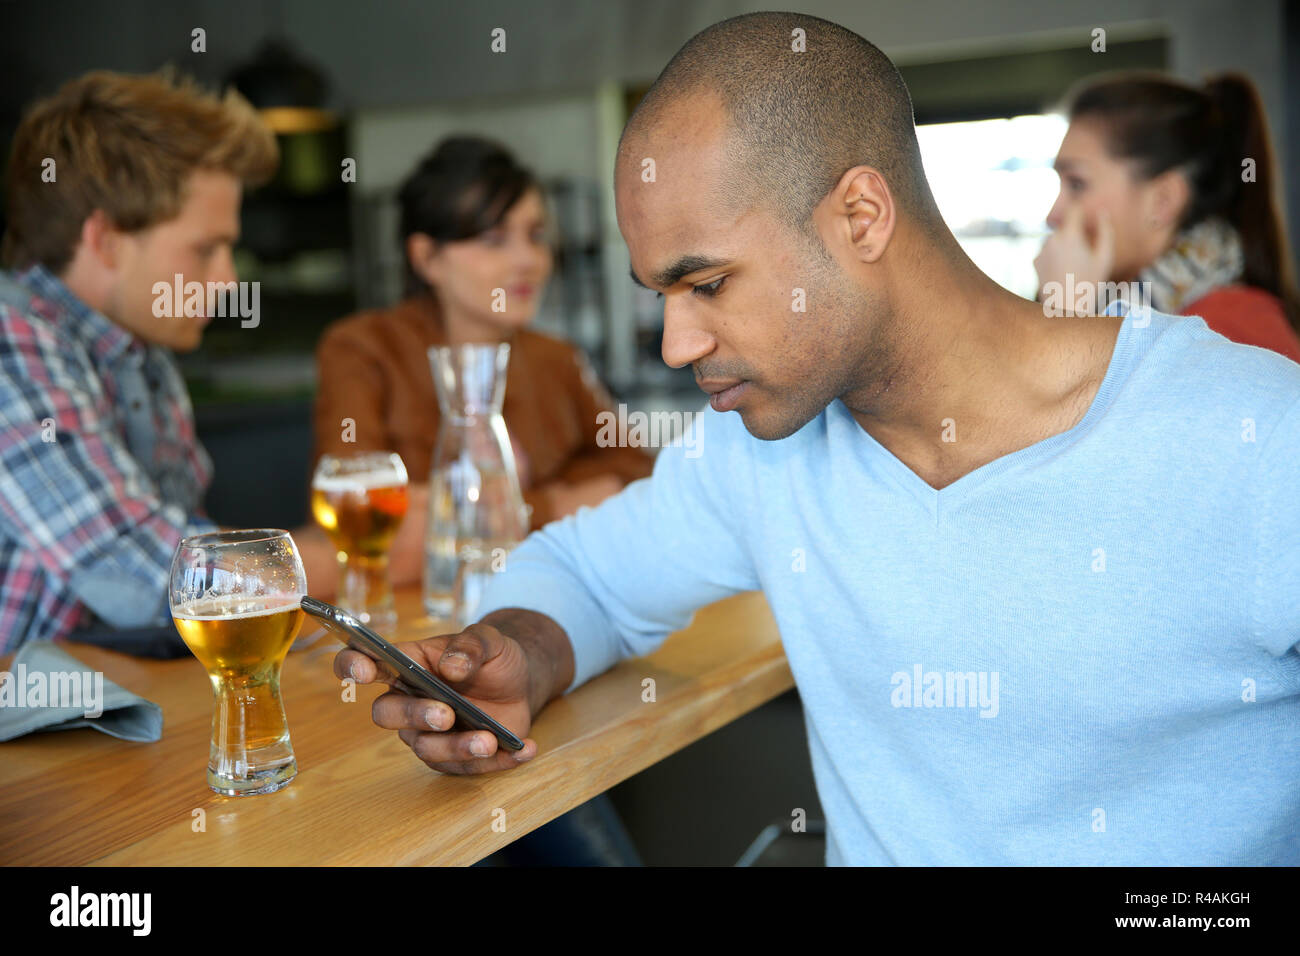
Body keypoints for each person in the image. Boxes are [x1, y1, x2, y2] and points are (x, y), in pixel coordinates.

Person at [336, 12, 1300, 865]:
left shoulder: (1253, 439)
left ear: (861, 216)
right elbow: (587, 577)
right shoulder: (761, 450)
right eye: (662, 296)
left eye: (706, 284)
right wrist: (522, 656)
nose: (678, 345)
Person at [0, 70, 342, 655]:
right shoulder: (11, 341)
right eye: (205, 248)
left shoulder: (140, 350)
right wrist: (341, 559)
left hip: (109, 713)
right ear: (105, 240)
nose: (229, 280)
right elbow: (146, 576)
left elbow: (187, 554)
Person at [311, 136, 653, 534]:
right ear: (426, 258)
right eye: (494, 240)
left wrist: (502, 508)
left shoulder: (556, 357)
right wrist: (553, 504)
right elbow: (356, 502)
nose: (528, 260)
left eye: (536, 236)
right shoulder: (363, 347)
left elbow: (637, 471)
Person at [1035, 70, 1300, 361]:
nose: (1053, 216)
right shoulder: (1137, 318)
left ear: (1162, 201)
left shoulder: (1233, 335)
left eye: (1077, 184)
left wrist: (1065, 313)